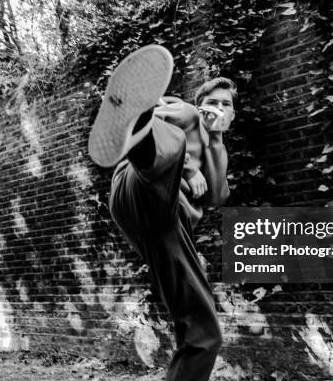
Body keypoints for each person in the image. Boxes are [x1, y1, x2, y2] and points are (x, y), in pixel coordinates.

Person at [88, 45, 236, 381]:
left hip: (163, 222)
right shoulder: (182, 109)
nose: (218, 109)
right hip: (138, 182)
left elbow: (217, 195)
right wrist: (187, 169)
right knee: (170, 135)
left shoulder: (217, 146)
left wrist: (215, 140)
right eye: (213, 102)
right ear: (202, 101)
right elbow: (167, 126)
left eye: (226, 105)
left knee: (204, 331)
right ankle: (136, 127)